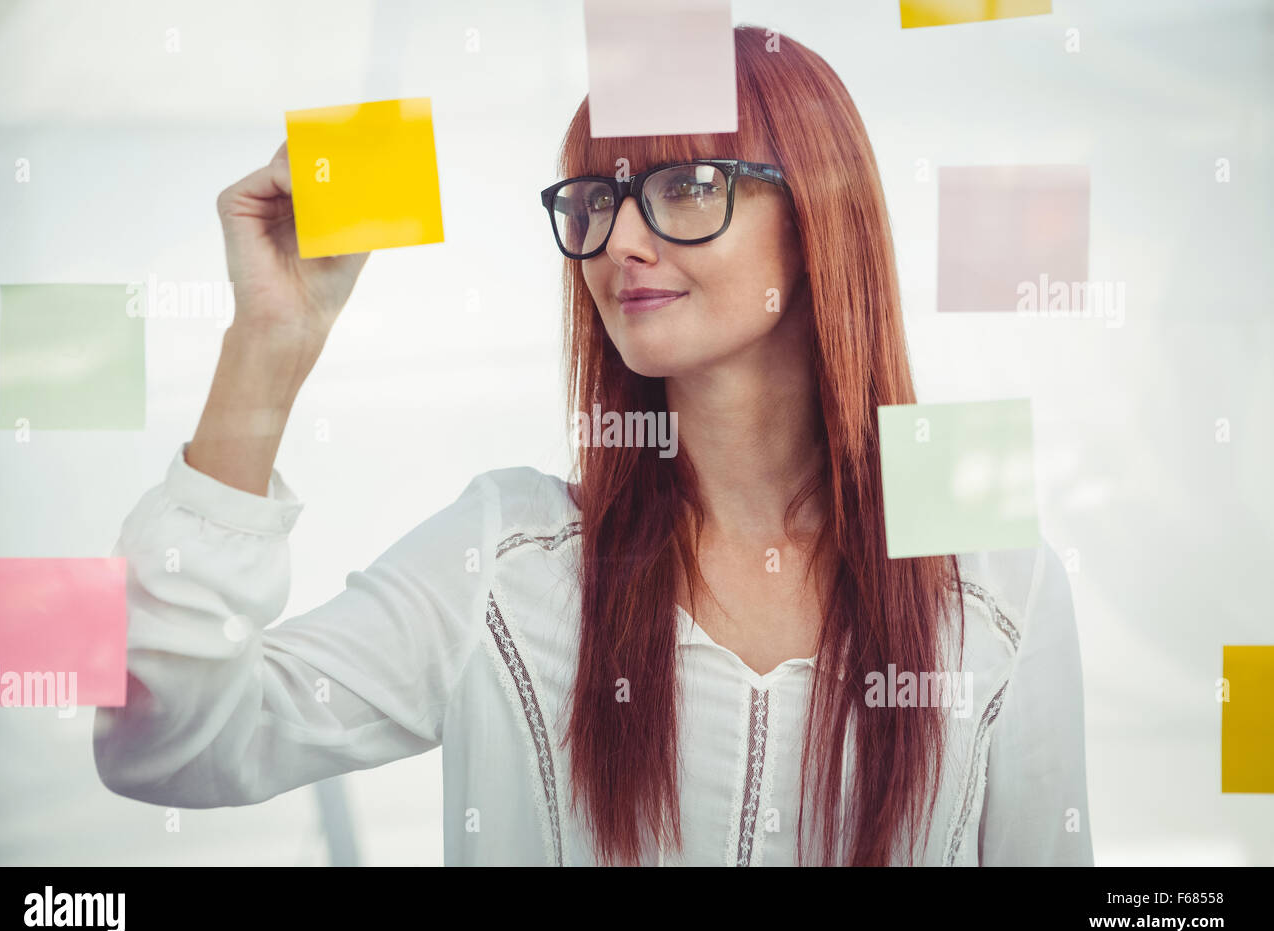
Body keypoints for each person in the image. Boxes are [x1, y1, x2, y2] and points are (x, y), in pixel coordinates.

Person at [93, 25, 1093, 866]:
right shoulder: (505, 552)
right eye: (594, 198)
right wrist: (268, 346)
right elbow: (166, 745)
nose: (619, 240)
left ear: (821, 217)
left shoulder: (992, 567)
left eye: (688, 183)